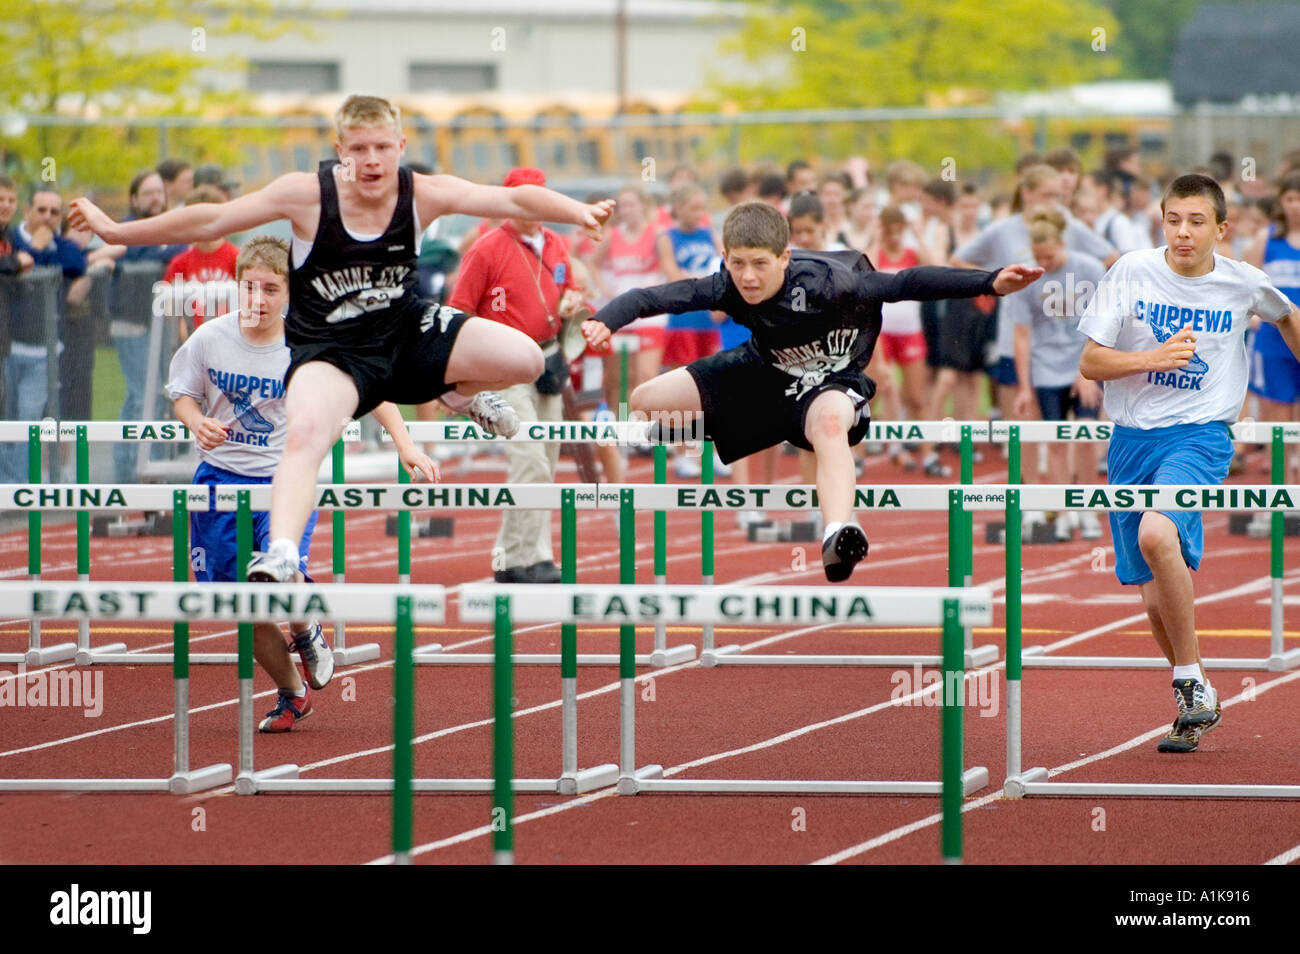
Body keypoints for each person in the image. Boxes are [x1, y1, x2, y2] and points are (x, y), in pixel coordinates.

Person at [69, 94, 612, 585]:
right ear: (339, 150)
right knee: (305, 435)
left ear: (401, 146)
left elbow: (515, 202)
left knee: (520, 356)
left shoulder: (423, 194)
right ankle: (282, 553)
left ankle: (456, 393)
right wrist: (117, 231)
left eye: (382, 147)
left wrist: (579, 212)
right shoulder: (306, 195)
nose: (371, 161)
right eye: (359, 149)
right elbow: (211, 216)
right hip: (332, 351)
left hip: (404, 331)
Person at [582, 201, 1042, 581]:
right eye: (737, 263)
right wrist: (604, 320)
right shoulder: (728, 285)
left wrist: (990, 281)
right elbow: (649, 298)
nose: (748, 277)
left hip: (833, 382)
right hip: (765, 373)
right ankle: (740, 430)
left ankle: (839, 532)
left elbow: (905, 283)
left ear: (785, 257)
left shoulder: (831, 283)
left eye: (760, 265)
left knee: (826, 423)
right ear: (725, 257)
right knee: (644, 405)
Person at [167, 235, 437, 732]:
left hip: (285, 479)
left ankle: (307, 626)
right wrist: (194, 421)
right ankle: (292, 692)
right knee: (241, 603)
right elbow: (181, 393)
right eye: (249, 287)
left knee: (279, 568)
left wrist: (406, 445)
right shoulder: (209, 338)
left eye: (270, 289)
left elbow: (372, 391)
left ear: (289, 292)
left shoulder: (310, 339)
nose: (258, 300)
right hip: (221, 478)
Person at [1077, 173, 1300, 753]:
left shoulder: (1242, 281)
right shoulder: (1130, 269)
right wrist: (1151, 356)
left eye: (1197, 221)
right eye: (1174, 219)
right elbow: (1092, 363)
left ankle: (1185, 679)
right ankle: (1196, 686)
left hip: (1199, 436)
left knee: (1157, 534)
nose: (1183, 232)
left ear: (1221, 230)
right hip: (1130, 441)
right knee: (1152, 597)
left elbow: (1285, 315)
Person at [448, 166, 585, 584]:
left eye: (539, 197)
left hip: (547, 359)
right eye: (523, 198)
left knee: (546, 458)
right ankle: (522, 557)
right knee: (528, 457)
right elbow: (458, 310)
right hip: (505, 365)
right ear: (507, 201)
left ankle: (525, 556)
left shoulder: (556, 243)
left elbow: (570, 291)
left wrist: (573, 303)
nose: (532, 207)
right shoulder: (487, 248)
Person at [1008, 207, 1107, 541]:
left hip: (1084, 362)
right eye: (1039, 257)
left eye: (1049, 256)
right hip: (1046, 368)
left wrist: (1088, 372)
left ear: (1062, 243)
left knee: (1087, 432)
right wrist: (1024, 386)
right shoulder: (1026, 277)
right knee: (1057, 439)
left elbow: (1105, 323)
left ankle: (1088, 507)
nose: (1044, 263)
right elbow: (1021, 335)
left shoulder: (1089, 269)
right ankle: (1063, 511)